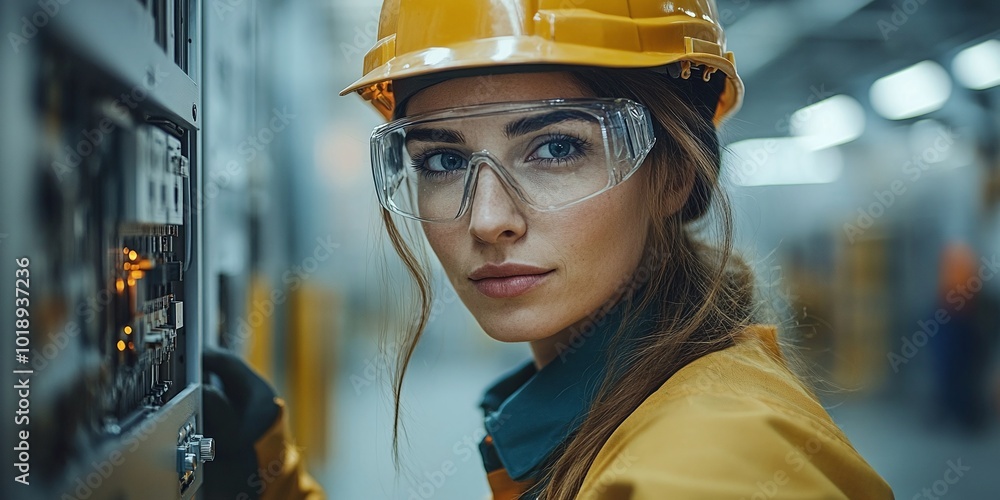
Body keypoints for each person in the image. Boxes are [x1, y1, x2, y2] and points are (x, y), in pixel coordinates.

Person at [207, 0, 895, 498]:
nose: (488, 219)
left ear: (675, 174)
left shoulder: (710, 467)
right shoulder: (609, 413)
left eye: (557, 147)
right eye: (443, 161)